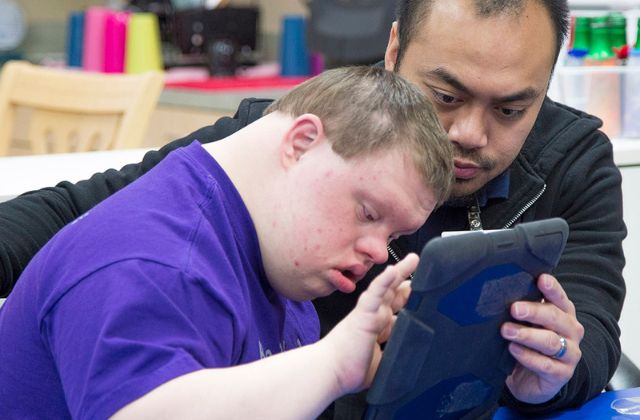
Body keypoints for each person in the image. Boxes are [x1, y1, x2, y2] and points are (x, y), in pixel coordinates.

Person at [0, 0, 626, 416]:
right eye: (443, 94)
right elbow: (89, 214)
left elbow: (594, 334)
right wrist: (333, 364)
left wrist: (552, 370)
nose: (469, 133)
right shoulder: (241, 183)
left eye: (512, 108)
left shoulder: (289, 252)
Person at [0, 66, 454, 418]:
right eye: (368, 213)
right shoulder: (152, 261)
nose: (379, 251)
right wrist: (332, 365)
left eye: (392, 236)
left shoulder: (273, 253)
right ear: (301, 142)